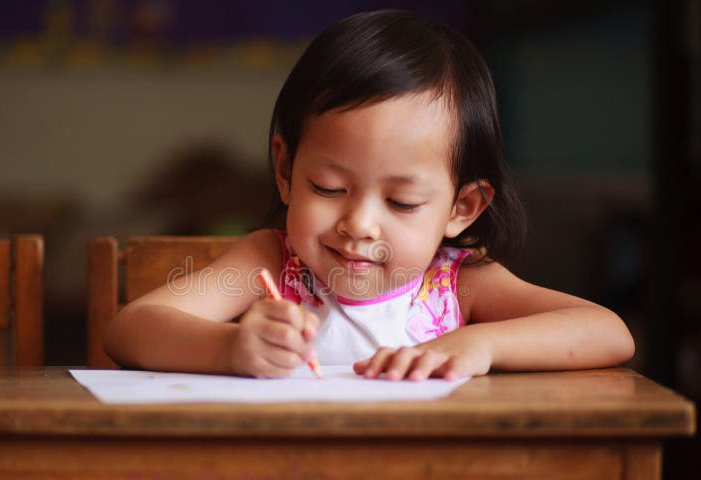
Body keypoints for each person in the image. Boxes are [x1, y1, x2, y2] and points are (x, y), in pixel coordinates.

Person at [105, 10, 634, 381]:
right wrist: (231, 348)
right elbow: (131, 329)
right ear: (286, 169)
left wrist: (479, 344)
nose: (359, 224)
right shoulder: (269, 263)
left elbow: (608, 332)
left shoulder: (458, 285)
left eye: (402, 202)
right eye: (329, 188)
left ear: (461, 208)